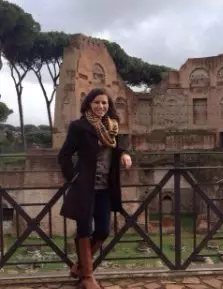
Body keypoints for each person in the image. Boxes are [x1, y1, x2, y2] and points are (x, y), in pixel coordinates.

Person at [58, 88, 132, 289]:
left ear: (109, 106)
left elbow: (118, 147)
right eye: (97, 102)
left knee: (103, 230)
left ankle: (80, 265)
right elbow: (64, 155)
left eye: (105, 103)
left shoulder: (113, 126)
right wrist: (74, 177)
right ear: (89, 104)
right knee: (85, 229)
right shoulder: (79, 127)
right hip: (85, 187)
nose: (101, 106)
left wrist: (125, 154)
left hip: (106, 187)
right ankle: (88, 277)